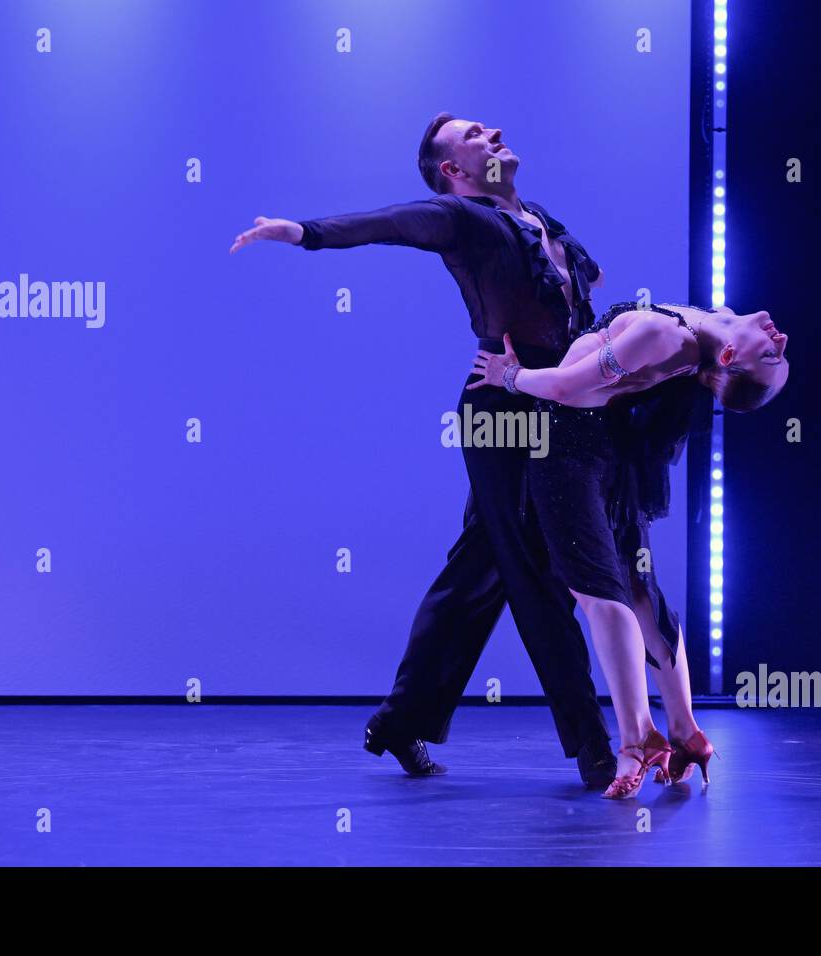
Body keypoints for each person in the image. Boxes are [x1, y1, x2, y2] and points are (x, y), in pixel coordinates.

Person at [230, 114, 621, 786]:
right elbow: (389, 223)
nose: (494, 132)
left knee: (481, 568)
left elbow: (585, 289)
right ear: (453, 171)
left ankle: (398, 722)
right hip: (503, 413)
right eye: (474, 134)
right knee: (538, 566)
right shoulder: (459, 218)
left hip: (555, 401)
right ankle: (594, 747)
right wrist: (302, 232)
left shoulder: (537, 218)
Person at [468, 300, 789, 796]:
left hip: (568, 449)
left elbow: (562, 386)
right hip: (602, 448)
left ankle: (637, 742)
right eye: (777, 354)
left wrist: (509, 376)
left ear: (727, 357)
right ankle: (686, 732)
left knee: (600, 595)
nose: (780, 341)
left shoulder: (666, 337)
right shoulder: (702, 325)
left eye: (771, 357)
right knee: (639, 591)